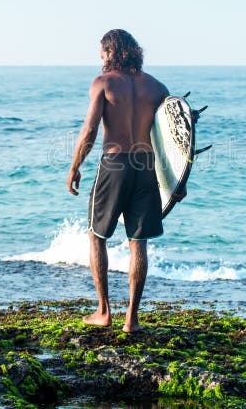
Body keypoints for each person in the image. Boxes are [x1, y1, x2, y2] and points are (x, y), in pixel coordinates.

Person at [66, 29, 182, 333]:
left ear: (111, 52)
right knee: (137, 242)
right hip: (145, 166)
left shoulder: (103, 83)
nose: (101, 58)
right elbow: (174, 139)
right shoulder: (157, 87)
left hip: (115, 164)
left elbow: (90, 132)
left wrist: (75, 165)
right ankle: (132, 318)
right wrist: (176, 181)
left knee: (96, 236)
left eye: (102, 52)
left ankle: (104, 311)